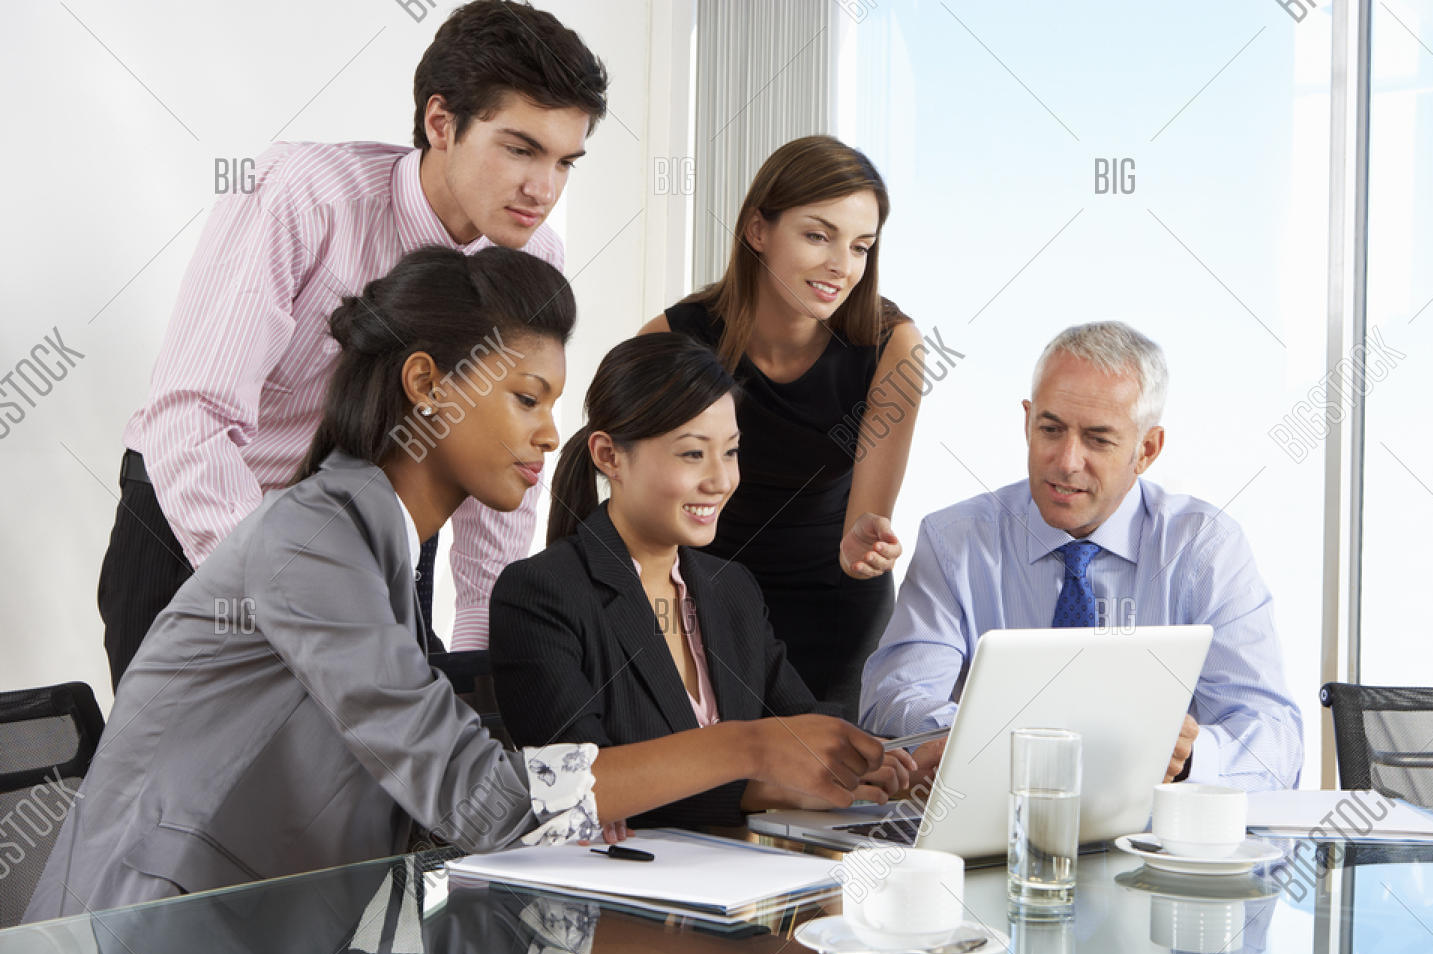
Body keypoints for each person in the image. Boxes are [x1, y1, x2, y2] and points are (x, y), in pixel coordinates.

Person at [23, 247, 887, 923]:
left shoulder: (375, 544)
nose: (552, 433)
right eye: (526, 397)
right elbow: (477, 798)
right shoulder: (321, 536)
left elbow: (424, 810)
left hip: (259, 936)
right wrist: (747, 747)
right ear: (428, 386)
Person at [98, 0, 605, 687]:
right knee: (188, 785)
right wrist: (292, 595)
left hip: (372, 532)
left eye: (564, 162)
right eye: (520, 149)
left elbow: (499, 460)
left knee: (388, 780)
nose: (542, 189)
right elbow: (192, 417)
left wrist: (487, 665)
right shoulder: (303, 197)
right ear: (441, 122)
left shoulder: (535, 259)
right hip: (204, 514)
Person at [489, 333, 918, 831]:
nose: (720, 480)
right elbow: (582, 791)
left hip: (744, 880)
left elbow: (805, 729)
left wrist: (890, 765)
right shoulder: (540, 595)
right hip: (617, 891)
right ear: (609, 456)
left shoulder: (731, 588)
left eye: (731, 452)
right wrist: (761, 787)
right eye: (693, 454)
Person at [859, 321, 1303, 792]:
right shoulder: (955, 541)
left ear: (1146, 450)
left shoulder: (1204, 548)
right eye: (1051, 429)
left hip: (1153, 839)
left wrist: (1191, 756)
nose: (1067, 461)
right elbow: (891, 698)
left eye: (1098, 439)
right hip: (1000, 828)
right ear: (1027, 422)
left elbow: (1278, 743)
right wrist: (1014, 743)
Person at [639, 135, 927, 720]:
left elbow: (866, 517)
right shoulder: (672, 340)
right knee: (714, 786)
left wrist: (866, 542)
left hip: (837, 607)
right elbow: (641, 505)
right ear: (757, 231)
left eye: (861, 246)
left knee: (834, 787)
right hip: (705, 599)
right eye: (818, 236)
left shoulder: (892, 346)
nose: (841, 266)